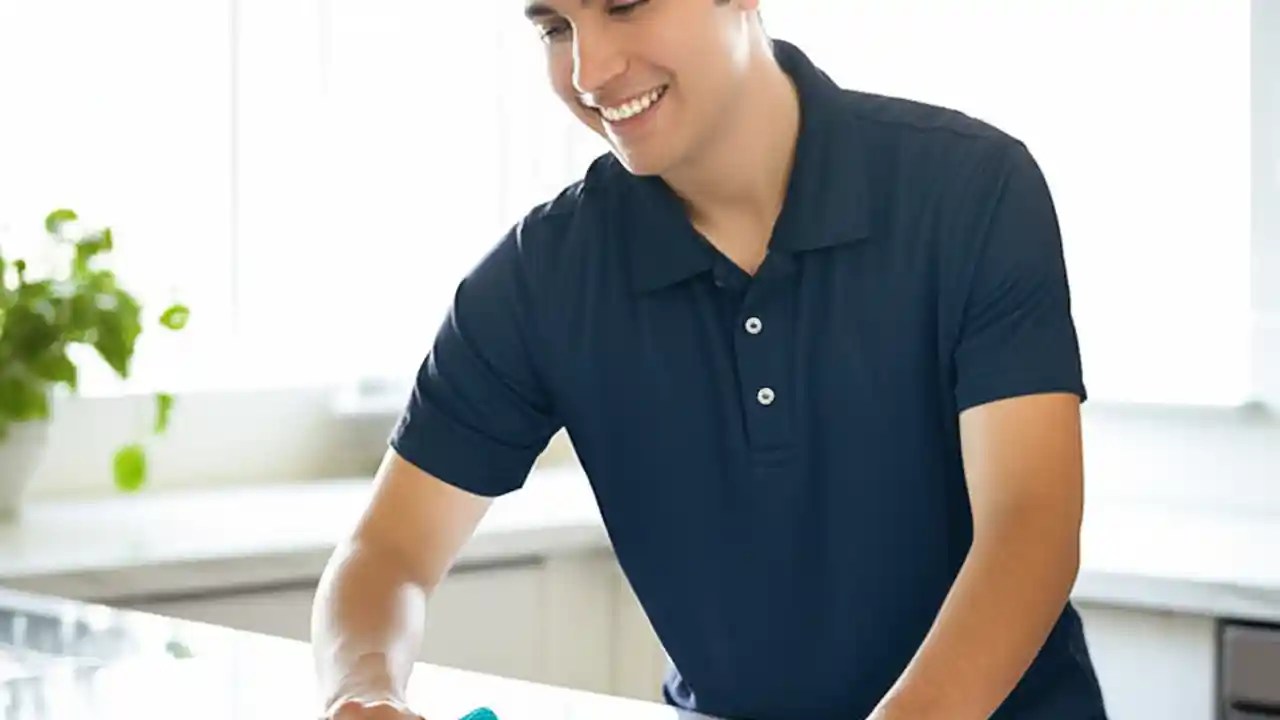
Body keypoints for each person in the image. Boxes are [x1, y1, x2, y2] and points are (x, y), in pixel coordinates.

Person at [311, 1, 1110, 718]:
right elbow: (389, 553)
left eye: (625, 6)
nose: (589, 71)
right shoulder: (541, 277)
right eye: (555, 27)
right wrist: (363, 691)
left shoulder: (971, 189)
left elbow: (1029, 526)